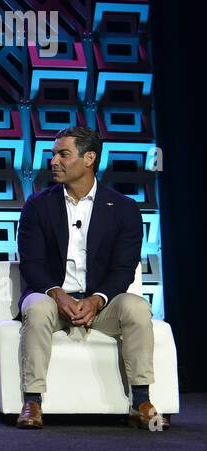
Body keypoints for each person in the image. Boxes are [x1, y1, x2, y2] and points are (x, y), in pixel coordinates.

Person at [15, 125, 165, 430]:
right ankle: (32, 402)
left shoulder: (124, 208)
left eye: (63, 154)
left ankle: (141, 401)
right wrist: (57, 293)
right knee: (36, 307)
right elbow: (31, 263)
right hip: (53, 298)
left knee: (137, 307)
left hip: (100, 303)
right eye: (54, 153)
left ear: (89, 158)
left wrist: (97, 300)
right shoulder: (37, 206)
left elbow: (124, 269)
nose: (53, 161)